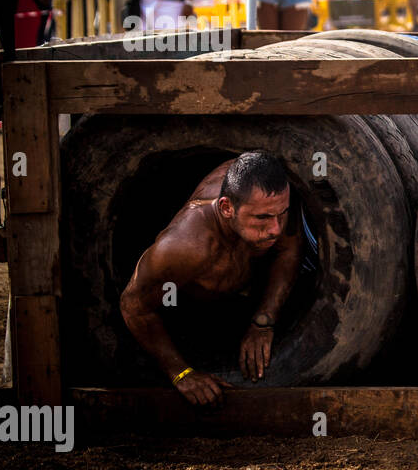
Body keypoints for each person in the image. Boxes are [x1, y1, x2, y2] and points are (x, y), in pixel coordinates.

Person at [119, 152, 301, 407]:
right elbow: (133, 307)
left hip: (247, 291)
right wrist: (180, 373)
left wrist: (263, 320)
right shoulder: (183, 248)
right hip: (191, 316)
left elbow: (288, 250)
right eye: (263, 219)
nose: (276, 229)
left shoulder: (271, 202)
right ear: (226, 208)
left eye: (282, 214)